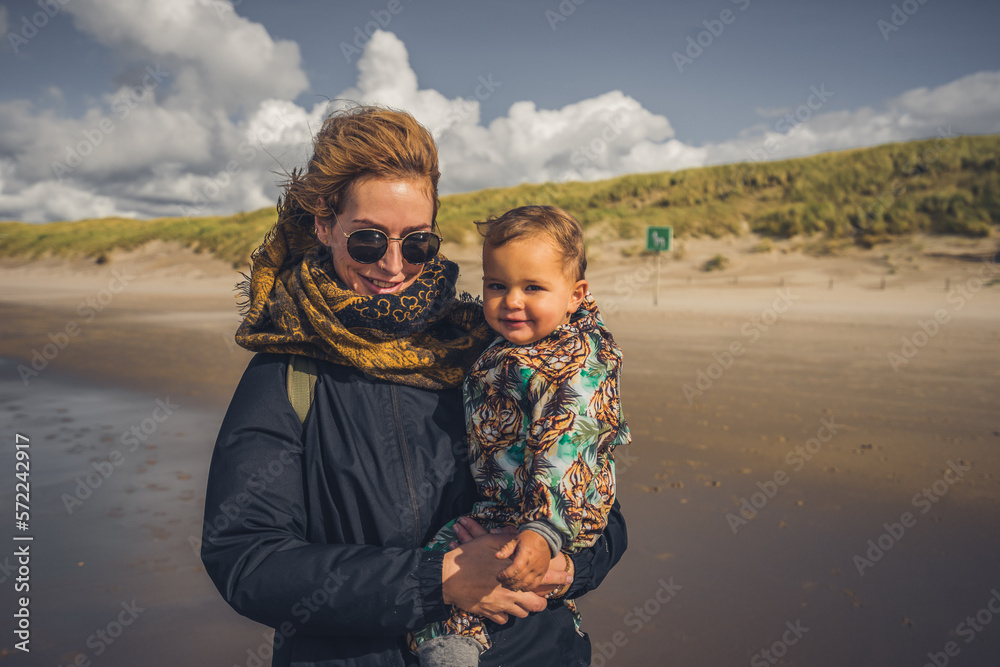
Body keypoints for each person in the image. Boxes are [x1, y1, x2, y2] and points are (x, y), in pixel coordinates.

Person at [200, 104, 627, 667]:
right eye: (368, 241)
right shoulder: (288, 370)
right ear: (324, 225)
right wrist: (437, 579)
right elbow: (247, 558)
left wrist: (566, 566)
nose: (394, 265)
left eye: (417, 242)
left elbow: (597, 501)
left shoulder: (488, 346)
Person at [409, 206, 630, 667]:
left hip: (557, 506)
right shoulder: (513, 344)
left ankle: (455, 648)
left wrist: (545, 530)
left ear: (575, 295)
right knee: (447, 557)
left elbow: (566, 445)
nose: (511, 301)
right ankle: (453, 643)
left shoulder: (575, 360)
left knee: (477, 564)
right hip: (512, 503)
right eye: (497, 285)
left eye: (532, 287)